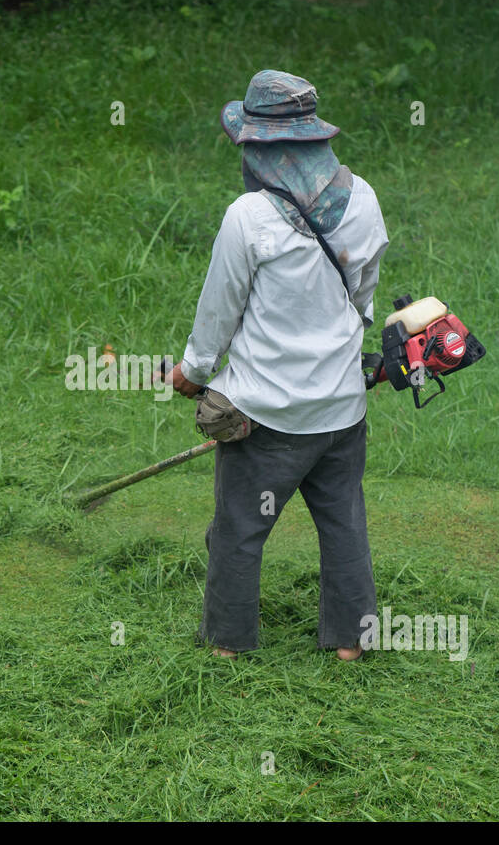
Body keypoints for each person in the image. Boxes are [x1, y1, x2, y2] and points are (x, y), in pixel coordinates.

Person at [166, 69, 388, 661]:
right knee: (344, 527)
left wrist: (192, 371)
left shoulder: (248, 217)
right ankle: (350, 644)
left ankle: (228, 647)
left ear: (263, 146)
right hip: (341, 412)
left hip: (265, 420)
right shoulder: (363, 198)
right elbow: (361, 298)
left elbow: (219, 310)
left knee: (239, 531)